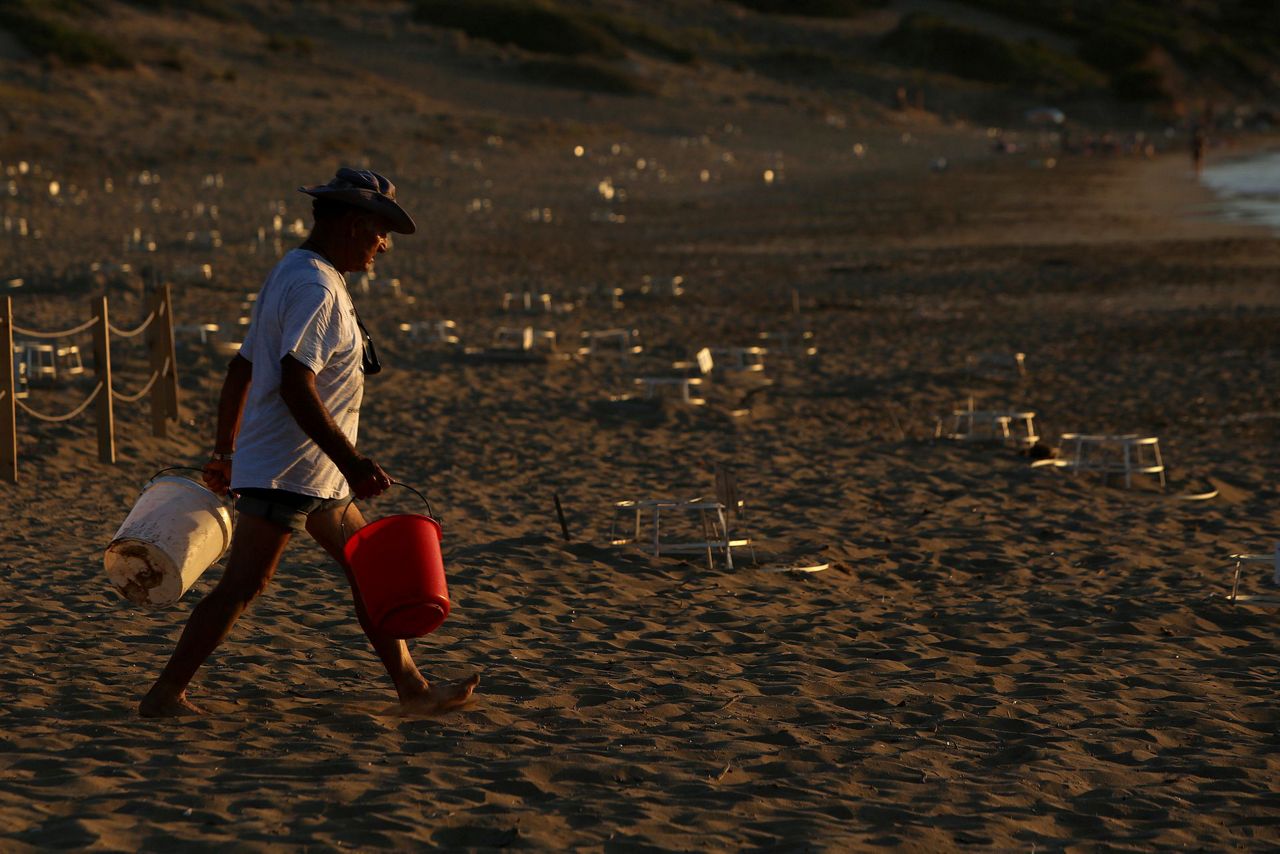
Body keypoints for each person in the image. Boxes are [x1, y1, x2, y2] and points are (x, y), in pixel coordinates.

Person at [139, 167, 478, 717]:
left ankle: (413, 688)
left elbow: (243, 366)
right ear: (354, 224)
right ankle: (165, 694)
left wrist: (225, 452)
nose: (385, 245)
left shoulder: (295, 270)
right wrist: (353, 461)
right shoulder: (315, 289)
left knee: (371, 572)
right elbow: (296, 383)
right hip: (288, 472)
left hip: (314, 472)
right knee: (244, 585)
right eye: (380, 231)